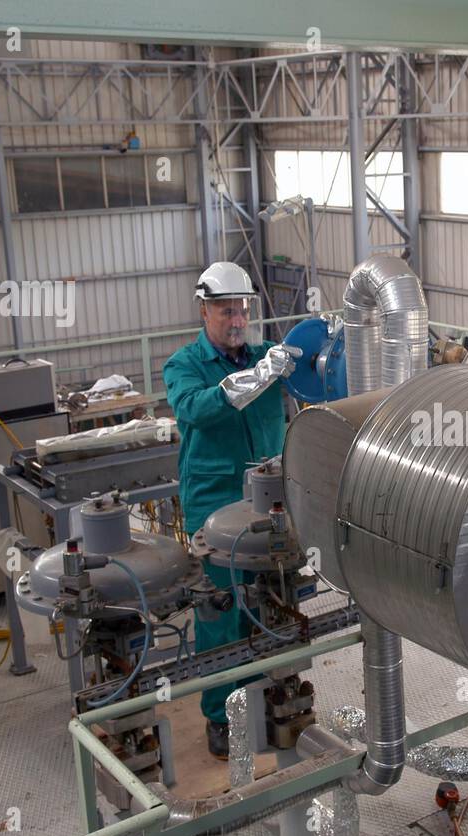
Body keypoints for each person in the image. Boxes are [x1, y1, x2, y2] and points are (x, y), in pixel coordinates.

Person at [162, 262, 298, 758]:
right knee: (221, 611)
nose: (236, 319)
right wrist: (257, 376)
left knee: (269, 601)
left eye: (242, 309)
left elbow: (319, 378)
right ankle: (222, 716)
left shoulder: (268, 356)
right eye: (225, 309)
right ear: (205, 311)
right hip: (214, 500)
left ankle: (266, 694)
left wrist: (328, 346)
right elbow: (195, 409)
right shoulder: (183, 365)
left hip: (268, 499)